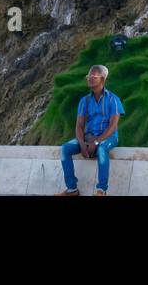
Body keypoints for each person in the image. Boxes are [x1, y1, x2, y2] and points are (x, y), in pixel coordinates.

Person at [56, 64, 125, 197]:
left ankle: (101, 190)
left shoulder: (113, 100)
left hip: (108, 137)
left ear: (103, 79)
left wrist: (97, 143)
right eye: (88, 76)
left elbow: (113, 127)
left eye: (94, 76)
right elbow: (79, 126)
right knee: (65, 149)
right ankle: (72, 190)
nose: (90, 79)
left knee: (102, 149)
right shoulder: (85, 101)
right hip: (89, 137)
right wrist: (82, 144)